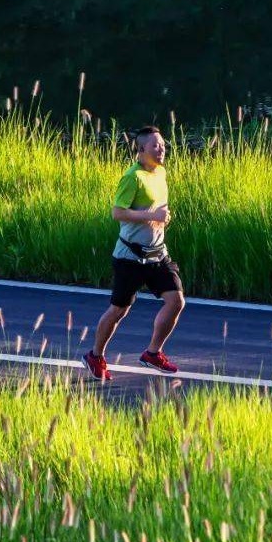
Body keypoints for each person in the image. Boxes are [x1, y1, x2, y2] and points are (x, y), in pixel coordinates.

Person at [82, 125, 185, 380]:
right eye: (155, 146)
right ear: (141, 150)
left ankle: (152, 353)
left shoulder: (160, 172)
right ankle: (95, 355)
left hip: (158, 254)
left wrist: (162, 218)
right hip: (130, 257)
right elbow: (118, 212)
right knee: (119, 310)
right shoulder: (132, 177)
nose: (161, 149)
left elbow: (156, 209)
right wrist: (152, 216)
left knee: (176, 301)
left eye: (162, 144)